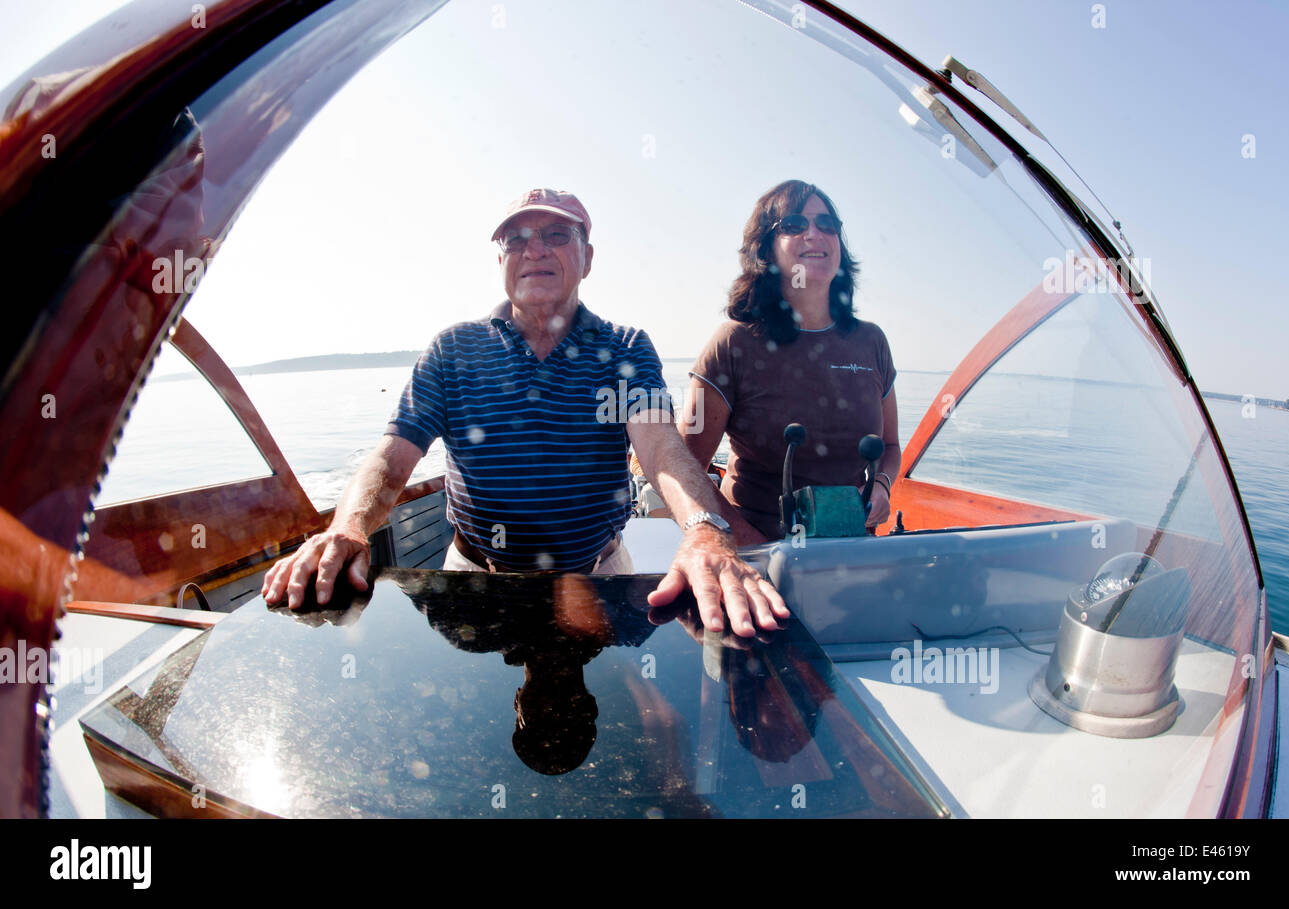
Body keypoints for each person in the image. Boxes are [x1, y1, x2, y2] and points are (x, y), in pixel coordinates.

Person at [262, 188, 787, 637]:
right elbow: (393, 456)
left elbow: (660, 449)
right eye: (516, 239)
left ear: (588, 257)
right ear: (500, 260)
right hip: (473, 577)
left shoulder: (625, 347)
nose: (533, 249)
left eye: (557, 236)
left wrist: (702, 529)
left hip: (599, 575)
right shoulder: (452, 350)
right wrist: (349, 528)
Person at [679, 180, 900, 543]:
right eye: (794, 225)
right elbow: (686, 473)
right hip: (756, 561)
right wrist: (754, 546)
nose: (815, 233)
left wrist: (881, 485)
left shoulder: (872, 341)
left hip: (853, 554)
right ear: (766, 248)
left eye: (827, 224)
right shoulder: (733, 343)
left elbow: (890, 447)